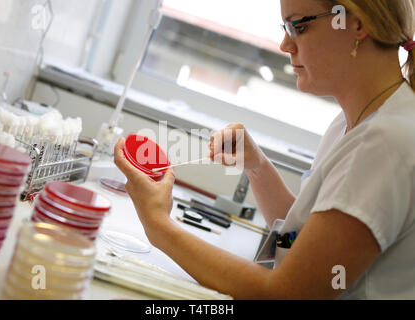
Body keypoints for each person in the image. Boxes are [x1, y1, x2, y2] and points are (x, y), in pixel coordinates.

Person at [114, 0, 415, 299]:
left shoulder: (384, 143)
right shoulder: (354, 122)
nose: (285, 44)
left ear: (356, 24)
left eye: (299, 26)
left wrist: (159, 227)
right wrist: (257, 166)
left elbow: (285, 294)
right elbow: (302, 241)